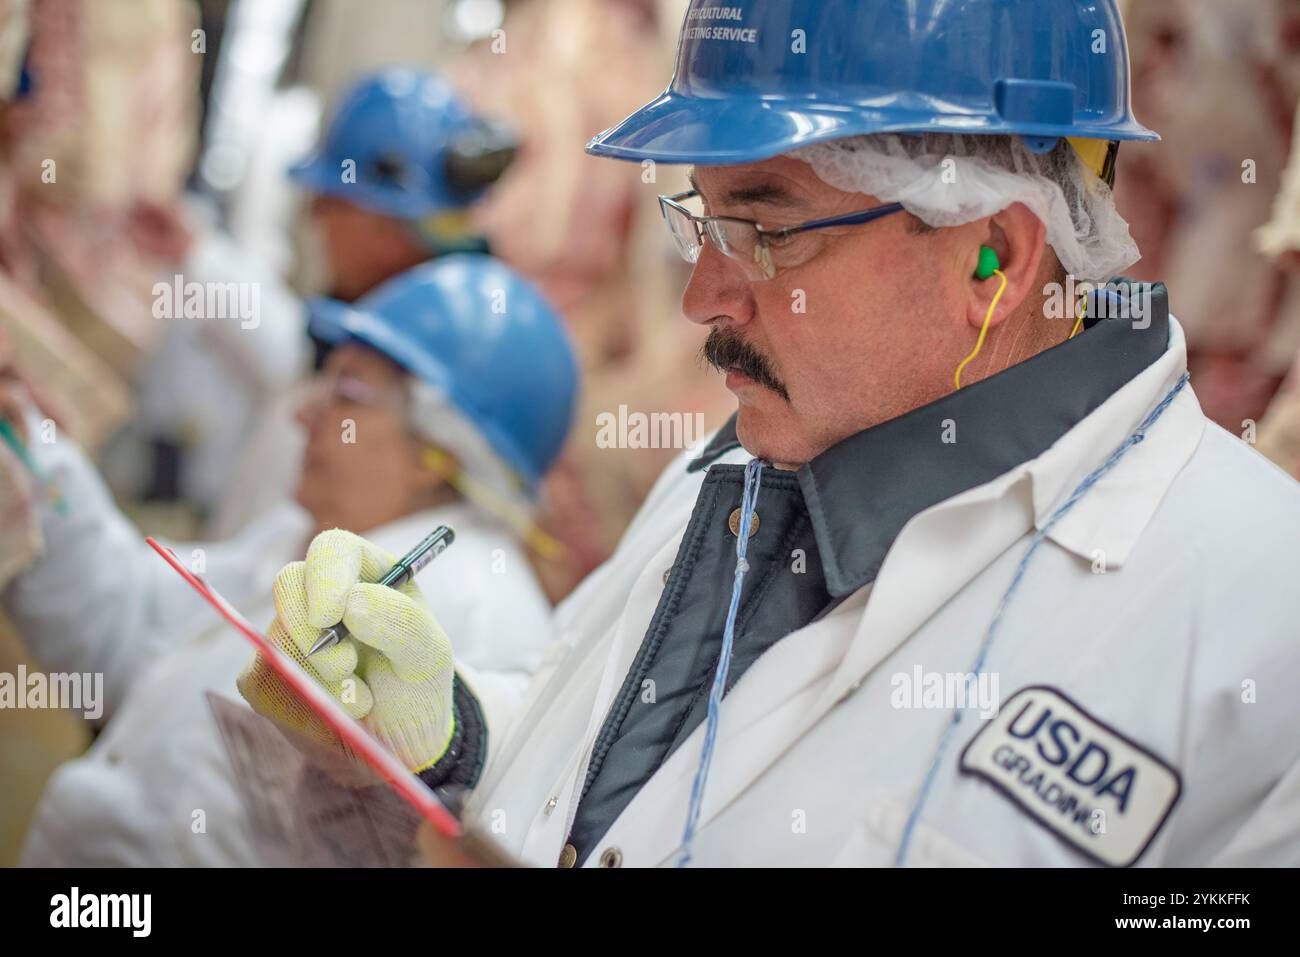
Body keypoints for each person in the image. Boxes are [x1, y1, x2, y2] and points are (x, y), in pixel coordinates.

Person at [245, 0, 1300, 868]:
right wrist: (452, 745)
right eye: (703, 222)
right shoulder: (747, 449)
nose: (704, 297)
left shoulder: (1259, 616)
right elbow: (607, 785)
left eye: (765, 230)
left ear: (993, 260)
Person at [5, 254, 577, 866]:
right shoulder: (318, 535)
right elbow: (136, 622)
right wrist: (33, 452)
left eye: (348, 395)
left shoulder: (480, 614)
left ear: (441, 454)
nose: (304, 414)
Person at [124, 68, 516, 532]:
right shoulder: (369, 318)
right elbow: (286, 341)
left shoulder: (439, 362)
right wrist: (194, 251)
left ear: (387, 224)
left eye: (334, 202)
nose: (315, 216)